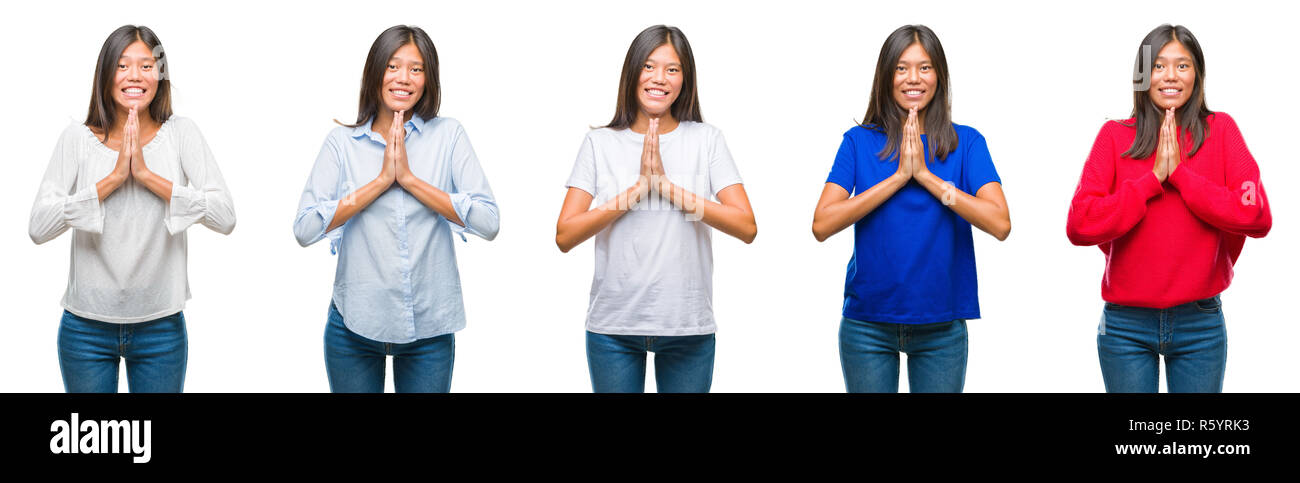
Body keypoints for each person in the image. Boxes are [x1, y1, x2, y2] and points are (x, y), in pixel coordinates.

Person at [29, 25, 236, 393]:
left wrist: (146, 175)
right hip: (85, 329)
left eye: (145, 65)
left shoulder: (181, 134)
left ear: (160, 75)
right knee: (95, 442)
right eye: (123, 65)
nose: (135, 76)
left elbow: (225, 216)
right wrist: (110, 181)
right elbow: (39, 227)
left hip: (161, 329)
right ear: (106, 74)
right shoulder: (77, 139)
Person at [294, 25, 499, 393]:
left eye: (416, 69)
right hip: (353, 328)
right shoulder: (342, 143)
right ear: (375, 73)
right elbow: (305, 229)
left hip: (430, 329)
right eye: (393, 66)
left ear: (428, 79)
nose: (404, 78)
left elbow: (489, 221)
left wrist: (409, 180)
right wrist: (379, 183)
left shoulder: (448, 135)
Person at [1067, 24, 1271, 393]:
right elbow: (1080, 224)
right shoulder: (1114, 136)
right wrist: (1150, 181)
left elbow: (1256, 215)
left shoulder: (1221, 130)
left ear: (1198, 74)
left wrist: (1179, 175)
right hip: (1125, 325)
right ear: (1142, 76)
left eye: (1183, 65)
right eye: (1158, 66)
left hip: (1200, 323)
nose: (1171, 76)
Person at [555, 25, 757, 393]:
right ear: (632, 73)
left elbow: (746, 226)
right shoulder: (599, 143)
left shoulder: (706, 140)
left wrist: (666, 188)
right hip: (613, 328)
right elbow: (565, 235)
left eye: (672, 69)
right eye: (649, 66)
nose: (659, 78)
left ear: (685, 79)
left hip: (687, 327)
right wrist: (634, 193)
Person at [812, 25, 1010, 393]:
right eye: (901, 68)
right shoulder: (857, 142)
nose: (913, 78)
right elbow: (822, 224)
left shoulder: (965, 142)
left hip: (942, 327)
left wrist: (927, 178)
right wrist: (899, 177)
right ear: (886, 76)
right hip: (867, 326)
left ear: (939, 75)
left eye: (925, 67)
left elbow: (999, 222)